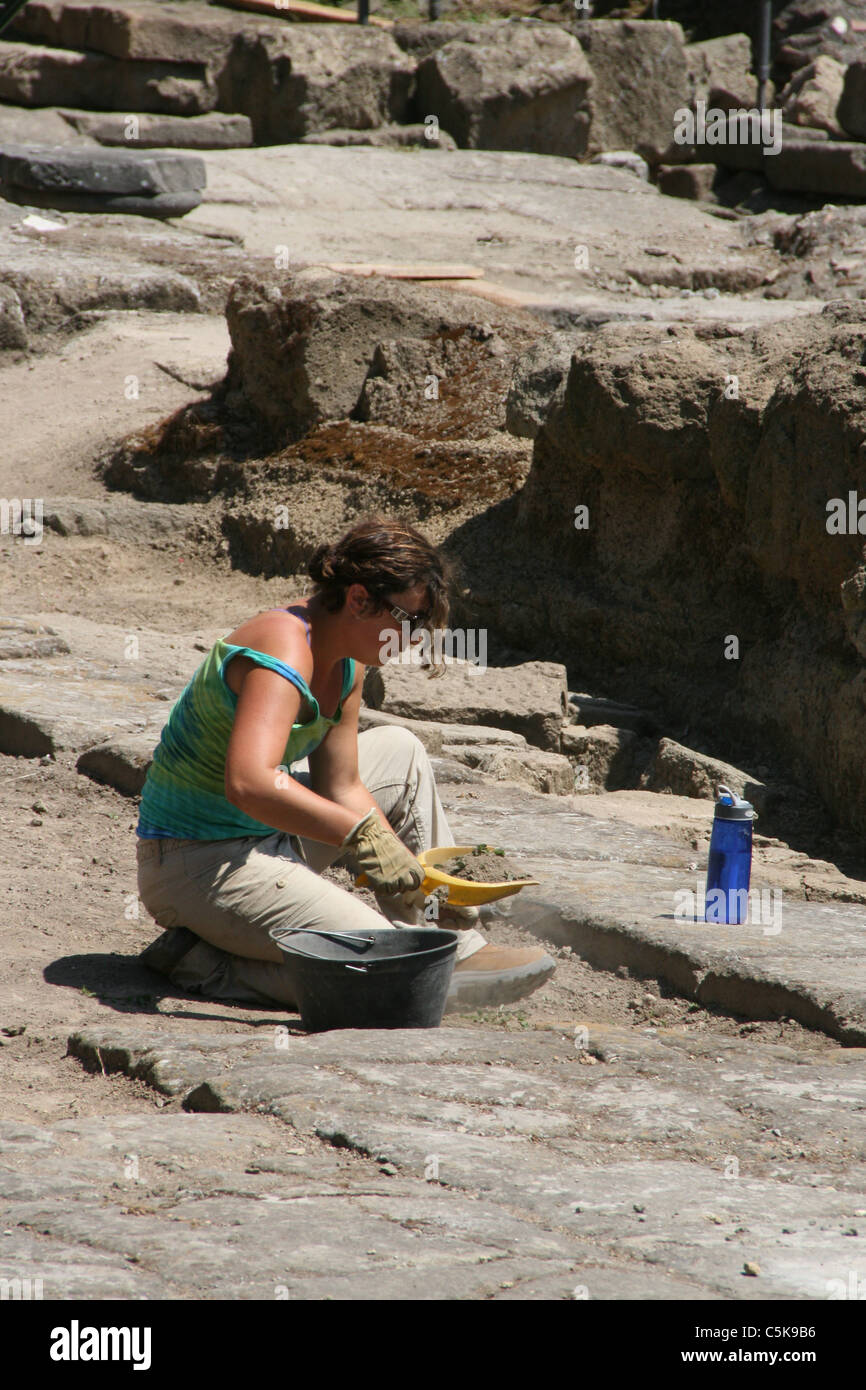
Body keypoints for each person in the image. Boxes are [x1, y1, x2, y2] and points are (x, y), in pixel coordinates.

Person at [136, 515, 555, 1011]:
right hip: (199, 862)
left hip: (266, 838)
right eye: (409, 621)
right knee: (395, 980)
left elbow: (344, 785)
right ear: (358, 599)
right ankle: (208, 964)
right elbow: (248, 782)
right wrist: (361, 836)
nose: (416, 639)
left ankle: (448, 942)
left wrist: (397, 859)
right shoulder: (282, 649)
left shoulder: (349, 663)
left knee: (400, 749)